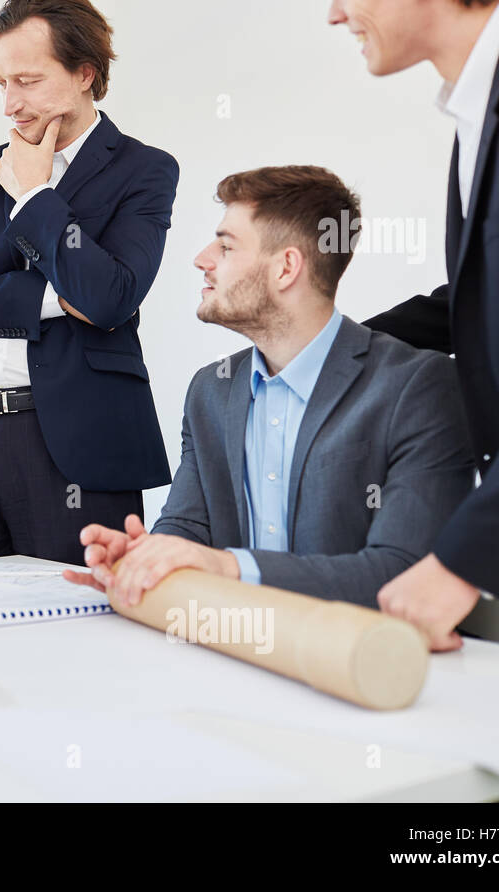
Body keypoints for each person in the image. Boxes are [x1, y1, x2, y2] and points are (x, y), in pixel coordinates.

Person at [65, 166, 474, 610]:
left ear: (286, 269)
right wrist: (143, 559)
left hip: (364, 664)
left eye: (225, 245)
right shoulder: (210, 392)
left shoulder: (419, 389)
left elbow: (402, 573)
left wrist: (229, 567)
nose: (202, 258)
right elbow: (186, 529)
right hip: (235, 658)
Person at [327, 0, 499, 653]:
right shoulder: (498, 95)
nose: (335, 13)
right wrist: (330, 348)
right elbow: (491, 300)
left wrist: (462, 561)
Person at [0, 0, 179, 566]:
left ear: (85, 73)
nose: (10, 104)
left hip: (80, 444)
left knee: (78, 636)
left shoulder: (146, 170)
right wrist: (57, 297)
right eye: (1, 83)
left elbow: (110, 298)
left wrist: (36, 193)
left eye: (27, 81)